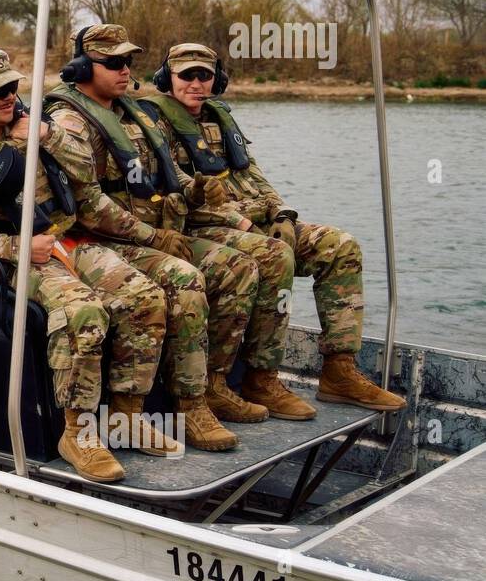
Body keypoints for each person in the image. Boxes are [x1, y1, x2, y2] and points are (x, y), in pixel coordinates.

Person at [0, 46, 177, 484]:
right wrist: (19, 247)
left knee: (143, 297)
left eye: (12, 88)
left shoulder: (29, 125)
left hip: (62, 240)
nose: (7, 97)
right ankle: (77, 433)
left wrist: (45, 135)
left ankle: (127, 417)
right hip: (5, 259)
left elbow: (84, 171)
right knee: (83, 311)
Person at [142, 42, 406, 415]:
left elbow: (254, 175)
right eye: (187, 75)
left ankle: (339, 370)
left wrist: (283, 215)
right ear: (166, 78)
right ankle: (259, 376)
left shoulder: (220, 118)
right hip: (200, 228)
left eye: (205, 75)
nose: (197, 83)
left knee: (339, 245)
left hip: (256, 222)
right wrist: (247, 223)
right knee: (274, 254)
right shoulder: (155, 124)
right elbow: (178, 187)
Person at [45, 24, 253, 452]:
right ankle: (133, 412)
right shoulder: (70, 121)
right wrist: (153, 237)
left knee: (238, 267)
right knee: (184, 281)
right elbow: (88, 207)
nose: (125, 70)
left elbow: (164, 176)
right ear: (83, 68)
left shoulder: (132, 113)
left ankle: (203, 394)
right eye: (114, 63)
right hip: (94, 240)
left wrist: (195, 190)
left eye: (129, 62)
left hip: (153, 234)